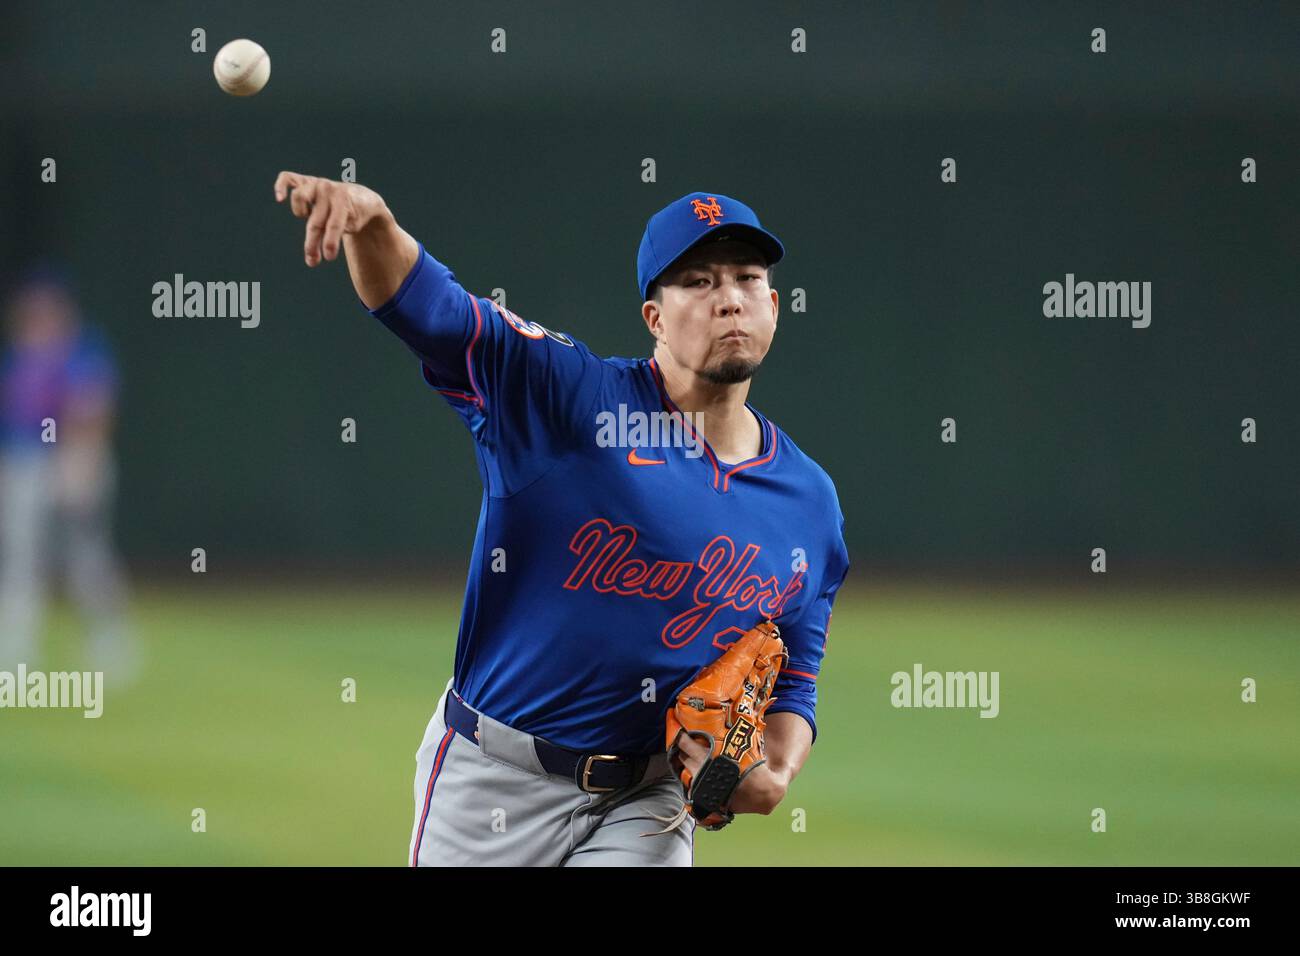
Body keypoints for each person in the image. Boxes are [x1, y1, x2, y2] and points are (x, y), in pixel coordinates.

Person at [274, 174, 849, 866]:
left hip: (648, 804)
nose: (728, 297)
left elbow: (796, 673)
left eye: (746, 277)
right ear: (655, 319)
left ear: (774, 305)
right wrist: (374, 229)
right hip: (493, 780)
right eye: (697, 281)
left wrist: (776, 771)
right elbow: (438, 316)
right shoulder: (573, 399)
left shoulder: (808, 503)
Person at [0, 265, 134, 680]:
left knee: (84, 558)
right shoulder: (18, 357)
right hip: (24, 464)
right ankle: (17, 648)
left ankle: (110, 643)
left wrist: (82, 458)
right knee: (21, 559)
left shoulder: (82, 351)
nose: (38, 317)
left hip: (72, 461)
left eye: (46, 310)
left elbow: (94, 408)